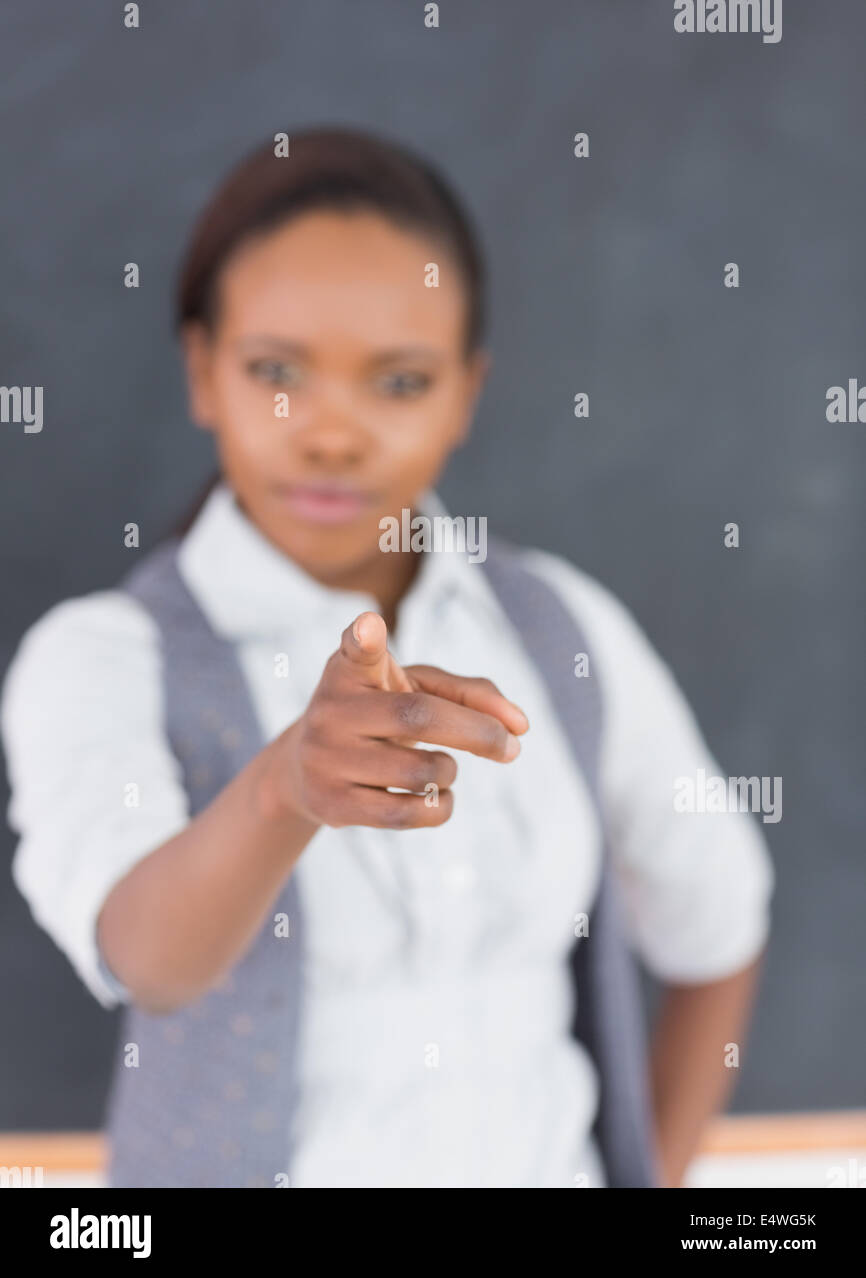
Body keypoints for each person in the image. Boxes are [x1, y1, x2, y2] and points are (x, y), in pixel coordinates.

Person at [1, 125, 774, 1188]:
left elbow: (715, 921)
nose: (331, 434)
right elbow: (149, 961)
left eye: (399, 382)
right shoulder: (101, 659)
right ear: (200, 373)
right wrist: (282, 785)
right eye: (276, 371)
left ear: (466, 392)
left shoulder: (559, 630)